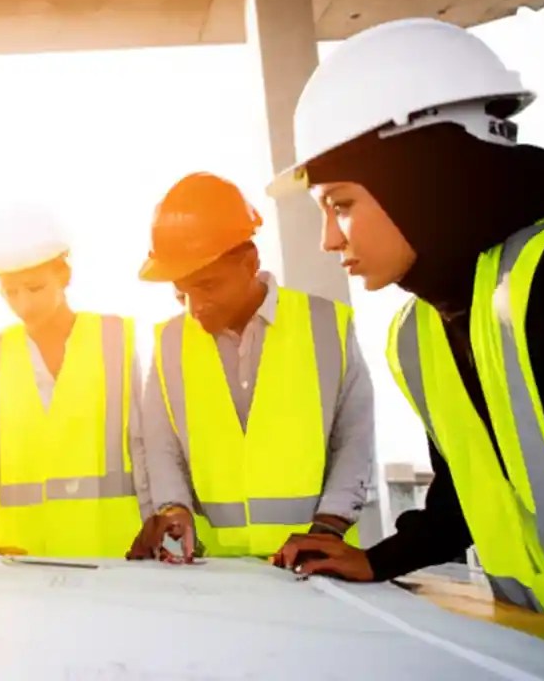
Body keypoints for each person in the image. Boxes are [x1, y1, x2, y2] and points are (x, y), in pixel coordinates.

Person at [267, 18, 544, 631]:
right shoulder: (423, 327)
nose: (327, 239)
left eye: (341, 205)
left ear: (419, 175)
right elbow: (468, 495)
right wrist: (379, 560)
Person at [127, 172, 375, 563]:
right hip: (212, 570)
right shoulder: (169, 341)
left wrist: (329, 527)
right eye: (182, 292)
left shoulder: (325, 325)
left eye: (207, 286)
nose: (195, 307)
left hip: (314, 567)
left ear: (249, 262)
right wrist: (173, 510)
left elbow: (354, 438)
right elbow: (162, 446)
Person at [0, 204, 150, 559]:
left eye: (35, 287)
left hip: (110, 557)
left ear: (65, 276)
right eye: (10, 292)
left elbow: (142, 444)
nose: (24, 304)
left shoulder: (114, 340)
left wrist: (156, 525)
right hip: (22, 560)